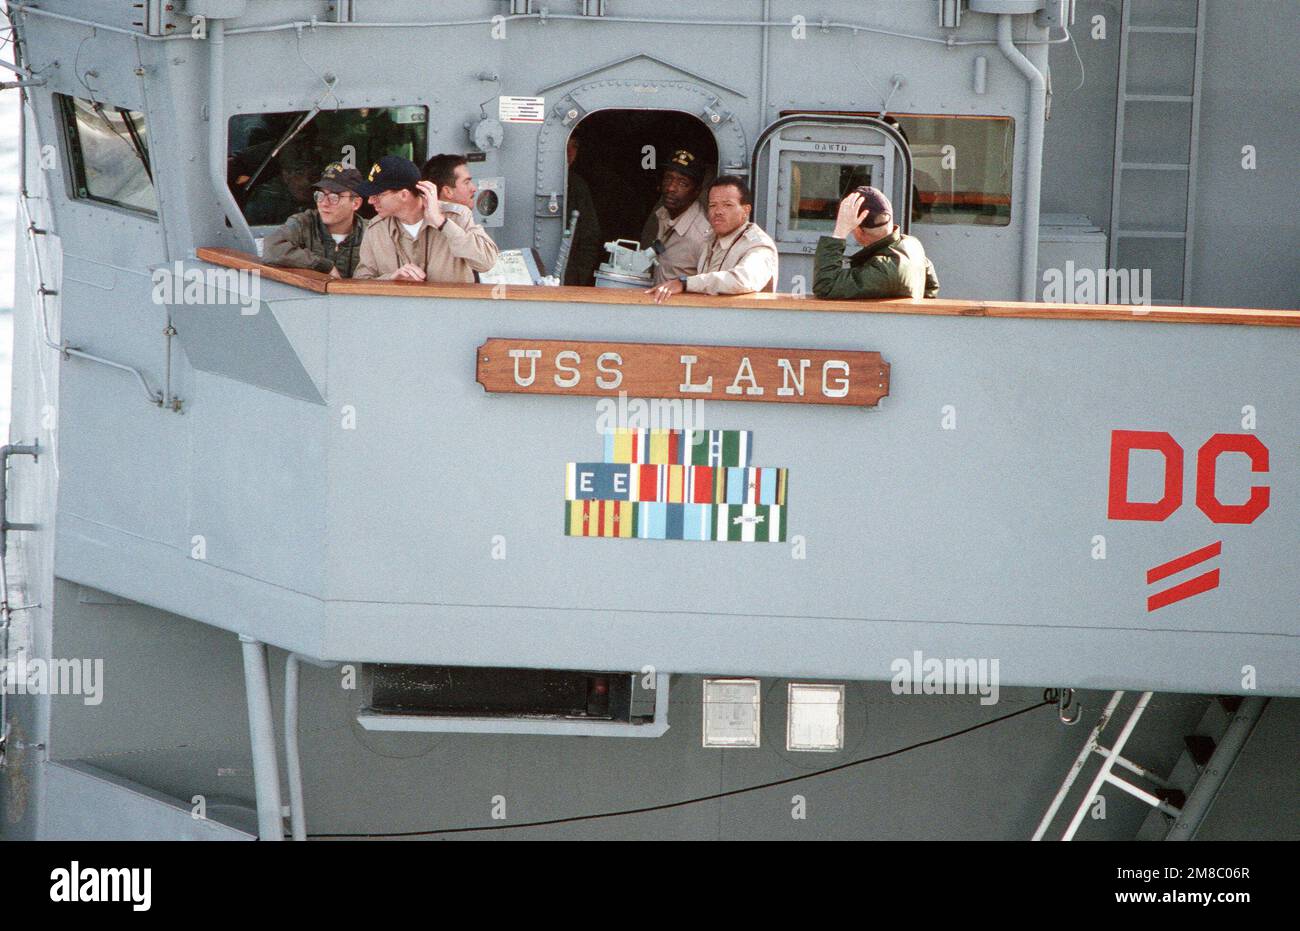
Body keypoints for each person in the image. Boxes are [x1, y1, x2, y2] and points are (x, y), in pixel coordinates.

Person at [352, 155, 498, 282]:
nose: (370, 201)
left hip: (451, 312)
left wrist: (441, 222)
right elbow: (361, 281)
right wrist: (391, 279)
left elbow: (486, 262)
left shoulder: (457, 216)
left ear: (403, 195)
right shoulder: (376, 228)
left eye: (377, 195)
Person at [648, 176, 777, 303]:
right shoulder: (709, 239)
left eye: (727, 205)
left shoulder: (759, 245)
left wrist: (685, 283)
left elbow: (742, 280)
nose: (718, 211)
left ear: (745, 210)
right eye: (713, 205)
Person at [812, 187, 939, 300]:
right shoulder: (912, 245)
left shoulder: (885, 269)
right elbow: (931, 288)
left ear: (858, 230)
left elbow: (825, 286)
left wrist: (840, 232)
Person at [261, 162, 367, 278]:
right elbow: (271, 249)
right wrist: (322, 265)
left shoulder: (371, 232)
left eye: (334, 197)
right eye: (320, 195)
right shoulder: (303, 223)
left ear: (356, 203)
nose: (324, 203)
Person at [640, 149, 711, 286]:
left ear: (696, 191)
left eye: (682, 183)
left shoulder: (702, 236)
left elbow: (706, 288)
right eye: (668, 179)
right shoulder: (661, 215)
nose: (671, 188)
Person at [561, 134, 603, 286]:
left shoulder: (578, 187)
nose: (570, 152)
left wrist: (578, 279)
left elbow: (590, 238)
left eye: (575, 146)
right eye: (565, 144)